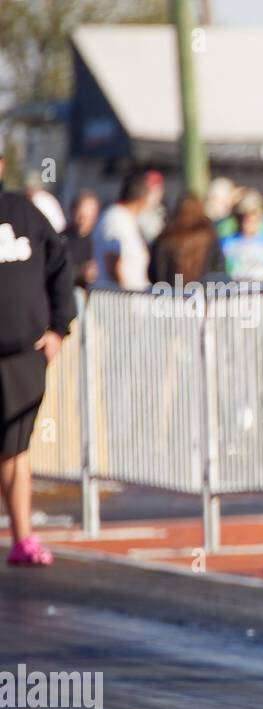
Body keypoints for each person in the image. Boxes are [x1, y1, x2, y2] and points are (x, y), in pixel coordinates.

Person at [0, 149, 76, 566]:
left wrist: (58, 328)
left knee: (15, 446)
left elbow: (60, 264)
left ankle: (23, 538)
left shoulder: (24, 213)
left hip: (21, 355)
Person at [91, 170, 151, 290]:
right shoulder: (114, 219)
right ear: (141, 200)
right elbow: (113, 262)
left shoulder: (126, 219)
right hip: (119, 302)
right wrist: (125, 295)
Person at [148, 193, 225, 286]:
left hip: (169, 295)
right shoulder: (209, 236)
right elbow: (218, 267)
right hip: (201, 294)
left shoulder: (165, 238)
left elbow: (154, 272)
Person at [220, 190, 263, 283]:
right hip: (235, 293)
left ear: (260, 215)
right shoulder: (226, 243)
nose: (246, 220)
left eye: (252, 215)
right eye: (242, 216)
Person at [62, 191, 100, 289]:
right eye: (80, 215)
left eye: (88, 217)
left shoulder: (97, 240)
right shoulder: (61, 240)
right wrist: (80, 272)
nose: (82, 220)